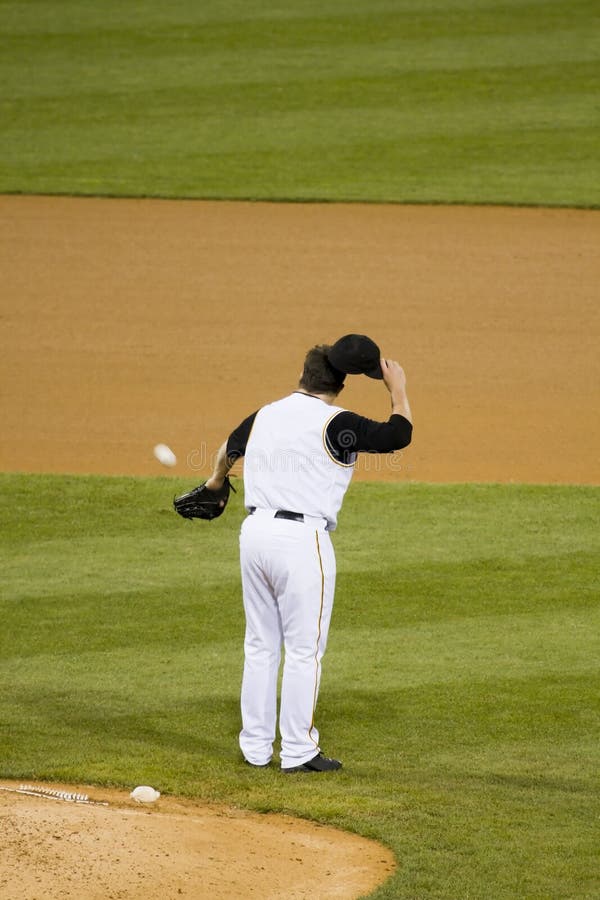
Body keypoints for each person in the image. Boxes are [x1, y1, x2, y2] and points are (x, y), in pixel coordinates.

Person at [204, 335, 413, 773]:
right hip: (301, 542)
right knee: (304, 650)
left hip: (254, 534)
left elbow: (229, 448)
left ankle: (255, 748)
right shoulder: (338, 423)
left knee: (260, 645)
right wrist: (398, 392)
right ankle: (298, 751)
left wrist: (216, 482)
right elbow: (398, 435)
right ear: (342, 384)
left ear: (303, 374)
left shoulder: (265, 414)